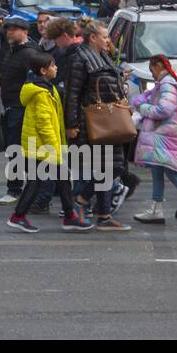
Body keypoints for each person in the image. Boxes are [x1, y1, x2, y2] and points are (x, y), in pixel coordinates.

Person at [7, 51, 94, 233]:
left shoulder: (47, 88)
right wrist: (55, 147)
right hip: (43, 146)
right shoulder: (41, 93)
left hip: (44, 145)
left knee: (61, 180)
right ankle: (18, 216)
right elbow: (44, 123)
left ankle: (69, 216)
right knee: (36, 182)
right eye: (53, 65)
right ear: (43, 70)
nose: (56, 68)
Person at [65, 21, 132, 230]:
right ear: (92, 37)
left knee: (112, 167)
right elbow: (72, 93)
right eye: (104, 37)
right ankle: (83, 200)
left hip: (110, 120)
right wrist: (71, 123)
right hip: (92, 123)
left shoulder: (104, 56)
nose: (108, 40)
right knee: (108, 167)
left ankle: (103, 214)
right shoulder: (80, 58)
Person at [131, 55, 177, 225]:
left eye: (152, 70)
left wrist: (142, 108)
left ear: (157, 66)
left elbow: (164, 110)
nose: (152, 75)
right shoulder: (168, 82)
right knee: (157, 170)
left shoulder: (167, 83)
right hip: (164, 135)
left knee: (171, 172)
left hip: (166, 135)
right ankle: (156, 209)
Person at [0, 17, 40, 205]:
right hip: (9, 107)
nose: (9, 32)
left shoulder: (29, 54)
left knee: (18, 149)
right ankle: (21, 187)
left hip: (20, 108)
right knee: (13, 149)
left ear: (25, 32)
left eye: (14, 29)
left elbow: (33, 83)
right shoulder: (12, 51)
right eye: (8, 29)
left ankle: (15, 189)